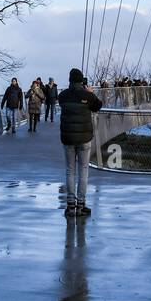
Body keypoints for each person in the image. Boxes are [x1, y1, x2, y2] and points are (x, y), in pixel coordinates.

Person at [58, 67, 103, 218]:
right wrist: (90, 93)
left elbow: (62, 103)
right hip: (84, 138)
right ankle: (81, 205)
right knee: (83, 170)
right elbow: (97, 106)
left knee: (70, 170)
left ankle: (70, 206)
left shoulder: (63, 95)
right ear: (81, 80)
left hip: (68, 138)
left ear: (70, 80)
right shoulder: (87, 96)